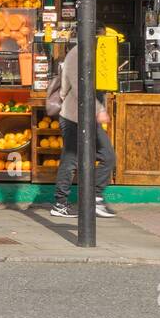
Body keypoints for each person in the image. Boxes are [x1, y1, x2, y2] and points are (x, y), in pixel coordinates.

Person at [49, 42, 117, 219]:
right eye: (100, 36)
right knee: (71, 160)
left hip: (86, 118)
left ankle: (94, 198)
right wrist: (99, 110)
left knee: (107, 156)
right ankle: (60, 203)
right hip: (72, 117)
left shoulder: (88, 52)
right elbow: (81, 89)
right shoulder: (76, 54)